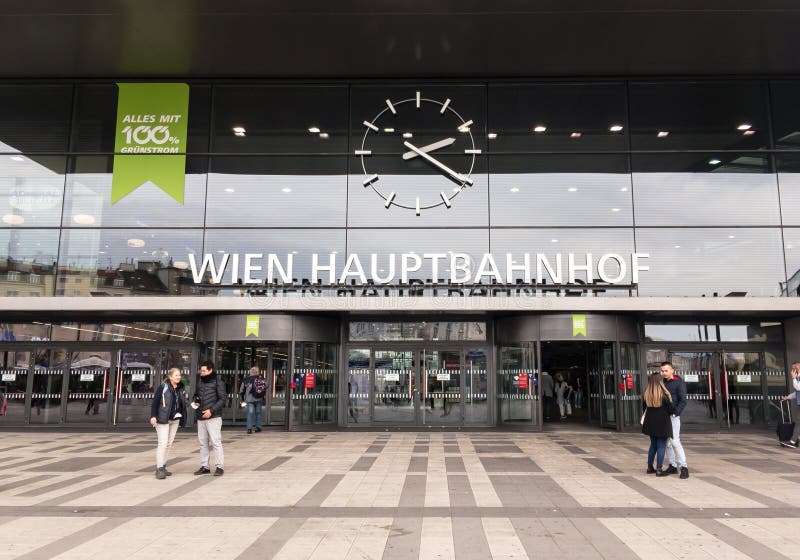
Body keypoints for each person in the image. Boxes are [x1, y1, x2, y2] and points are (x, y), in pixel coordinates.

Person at [149, 367, 187, 479]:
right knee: (163, 443)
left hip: (175, 419)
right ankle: (159, 468)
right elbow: (155, 402)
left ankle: (163, 466)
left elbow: (181, 403)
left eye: (179, 375)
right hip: (162, 419)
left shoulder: (180, 388)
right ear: (170, 377)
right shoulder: (163, 387)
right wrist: (153, 416)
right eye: (176, 375)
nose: (178, 377)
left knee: (169, 444)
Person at [192, 360, 226, 476]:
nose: (202, 373)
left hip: (214, 417)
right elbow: (196, 394)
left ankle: (219, 467)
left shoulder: (218, 382)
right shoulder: (200, 382)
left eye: (204, 371)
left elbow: (222, 399)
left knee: (216, 442)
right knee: (203, 443)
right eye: (201, 371)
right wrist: (195, 400)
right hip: (201, 417)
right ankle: (205, 466)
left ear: (210, 370)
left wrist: (211, 411)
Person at [642, 372, 674, 476]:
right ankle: (659, 469)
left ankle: (649, 467)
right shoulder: (664, 395)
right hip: (663, 424)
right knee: (661, 446)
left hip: (650, 423)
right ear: (660, 382)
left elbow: (644, 409)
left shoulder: (646, 394)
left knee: (653, 445)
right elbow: (671, 410)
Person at [661, 361, 690, 479]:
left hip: (673, 417)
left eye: (666, 371)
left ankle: (684, 467)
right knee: (666, 441)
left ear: (672, 370)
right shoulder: (661, 382)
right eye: (662, 371)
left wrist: (676, 413)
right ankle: (672, 466)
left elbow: (683, 400)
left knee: (675, 441)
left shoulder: (679, 383)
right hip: (662, 416)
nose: (663, 373)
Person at [779, 361, 800, 448]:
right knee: (799, 423)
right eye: (792, 368)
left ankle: (793, 441)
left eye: (794, 368)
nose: (792, 370)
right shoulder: (798, 377)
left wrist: (794, 378)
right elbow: (797, 392)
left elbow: (798, 387)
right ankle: (793, 441)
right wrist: (787, 397)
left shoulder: (796, 377)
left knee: (799, 423)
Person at [239, 365, 264, 434]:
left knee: (250, 413)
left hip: (249, 400)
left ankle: (249, 429)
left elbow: (241, 390)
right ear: (258, 372)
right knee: (258, 413)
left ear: (251, 372)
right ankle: (258, 427)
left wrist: (242, 399)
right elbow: (266, 385)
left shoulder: (246, 379)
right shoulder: (260, 379)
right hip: (259, 398)